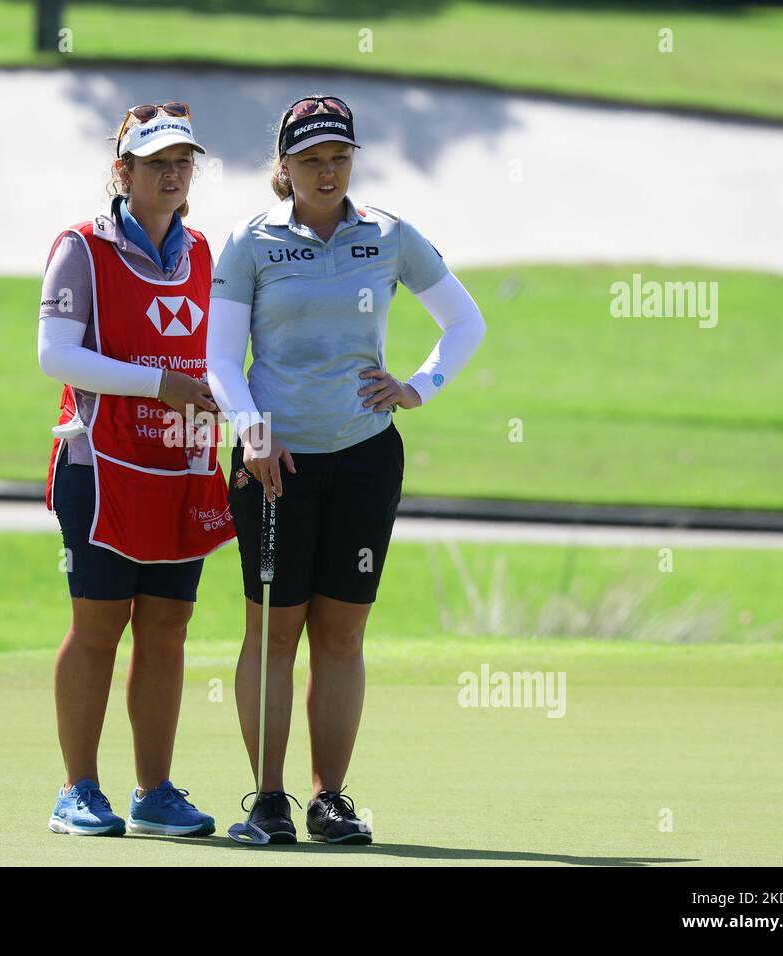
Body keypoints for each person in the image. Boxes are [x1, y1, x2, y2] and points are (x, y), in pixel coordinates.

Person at [206, 94, 487, 844]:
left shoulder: (387, 236)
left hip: (364, 457)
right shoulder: (251, 242)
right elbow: (218, 359)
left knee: (341, 636)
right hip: (275, 464)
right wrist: (252, 429)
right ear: (285, 168)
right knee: (273, 632)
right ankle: (268, 801)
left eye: (338, 158)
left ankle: (329, 799)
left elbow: (465, 321)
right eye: (310, 161)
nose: (326, 173)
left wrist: (418, 386)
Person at [37, 102, 235, 837]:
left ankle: (154, 793)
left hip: (180, 464)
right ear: (123, 172)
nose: (174, 174)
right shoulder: (81, 248)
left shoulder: (206, 254)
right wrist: (160, 385)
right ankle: (77, 791)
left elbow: (218, 359)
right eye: (156, 163)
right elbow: (55, 355)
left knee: (168, 628)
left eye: (183, 162)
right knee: (98, 626)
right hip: (100, 463)